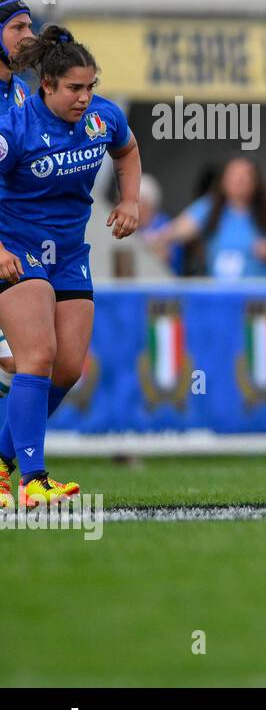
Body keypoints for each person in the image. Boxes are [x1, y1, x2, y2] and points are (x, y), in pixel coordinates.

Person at [0, 25, 141, 508]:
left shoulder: (103, 118)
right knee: (36, 357)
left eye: (90, 86)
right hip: (17, 250)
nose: (85, 98)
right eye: (74, 89)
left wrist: (131, 201)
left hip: (69, 254)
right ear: (48, 86)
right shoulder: (16, 126)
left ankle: (0, 463)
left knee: (67, 367)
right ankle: (33, 479)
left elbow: (127, 149)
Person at [154, 157, 266, 278]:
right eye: (234, 175)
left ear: (256, 183)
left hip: (259, 298)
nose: (240, 180)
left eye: (246, 176)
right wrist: (158, 240)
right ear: (223, 181)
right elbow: (181, 229)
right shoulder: (209, 208)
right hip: (223, 295)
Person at [0, 0, 35, 398]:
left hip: (14, 243)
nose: (28, 36)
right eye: (18, 28)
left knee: (20, 360)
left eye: (30, 27)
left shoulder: (23, 94)